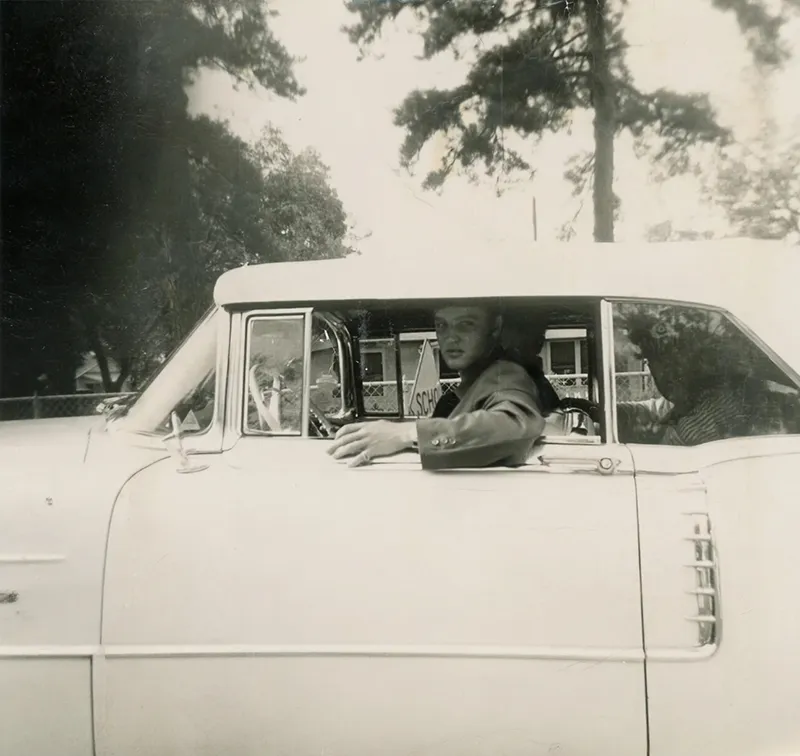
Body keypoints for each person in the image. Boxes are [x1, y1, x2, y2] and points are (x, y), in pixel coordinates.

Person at [327, 304, 547, 468]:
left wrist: (405, 434)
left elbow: (517, 424)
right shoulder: (469, 388)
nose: (451, 338)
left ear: (494, 328)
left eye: (466, 325)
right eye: (442, 325)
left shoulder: (505, 374)